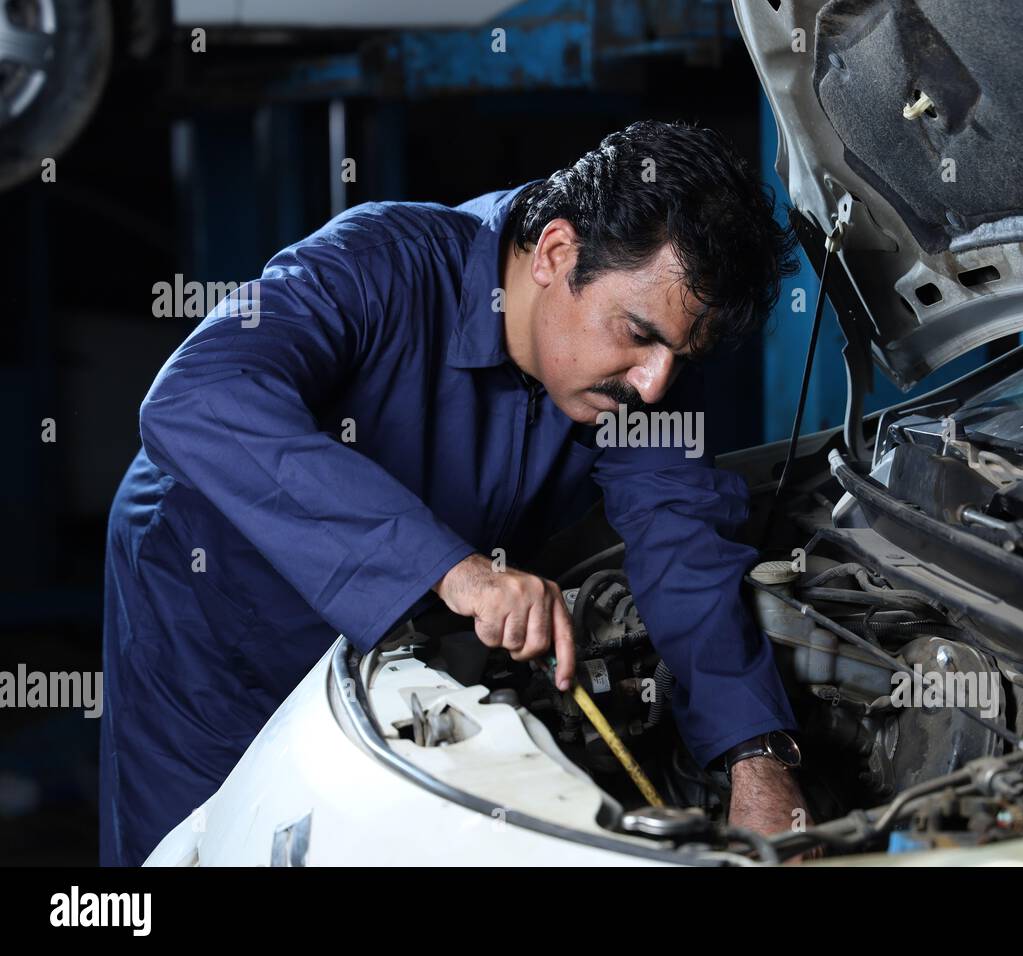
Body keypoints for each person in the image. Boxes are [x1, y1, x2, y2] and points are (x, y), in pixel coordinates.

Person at [101, 120, 808, 865]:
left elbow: (683, 548)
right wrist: (454, 570)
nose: (654, 382)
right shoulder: (377, 265)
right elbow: (196, 398)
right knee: (201, 846)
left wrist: (757, 757)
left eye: (679, 354)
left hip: (392, 642)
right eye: (638, 334)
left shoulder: (633, 384)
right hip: (209, 615)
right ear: (558, 252)